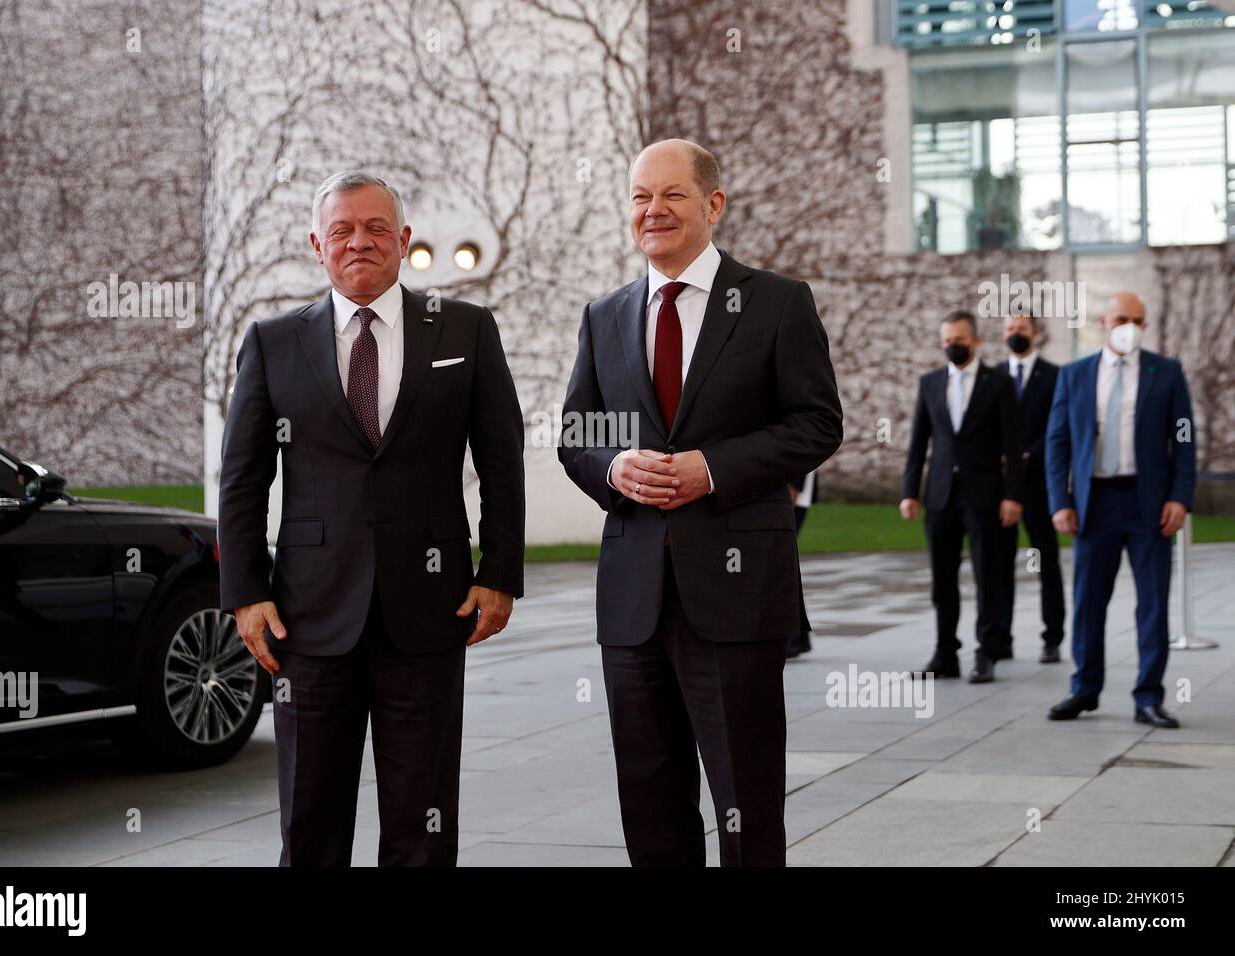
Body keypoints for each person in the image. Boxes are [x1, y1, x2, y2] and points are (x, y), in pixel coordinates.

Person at [217, 170, 525, 865]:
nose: (360, 241)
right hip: (307, 617)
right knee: (310, 818)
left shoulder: (465, 330)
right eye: (343, 230)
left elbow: (500, 460)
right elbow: (242, 479)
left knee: (424, 819)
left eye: (376, 228)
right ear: (317, 245)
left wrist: (500, 570)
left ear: (404, 239)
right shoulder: (271, 343)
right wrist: (245, 592)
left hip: (429, 610)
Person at [558, 139, 843, 866]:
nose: (652, 210)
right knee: (650, 805)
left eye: (672, 195)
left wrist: (711, 468)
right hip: (632, 602)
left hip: (737, 596)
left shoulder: (778, 302)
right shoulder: (605, 316)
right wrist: (614, 465)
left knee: (745, 800)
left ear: (713, 204)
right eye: (639, 196)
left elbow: (817, 424)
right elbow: (576, 436)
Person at [1045, 292, 1195, 728]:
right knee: (1089, 601)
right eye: (1121, 318)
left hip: (1150, 505)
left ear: (1144, 326)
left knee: (1152, 603)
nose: (1129, 325)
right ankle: (1084, 690)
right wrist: (1061, 501)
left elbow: (1183, 438)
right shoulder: (1074, 376)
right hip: (1095, 503)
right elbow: (1057, 443)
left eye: (1137, 320)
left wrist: (1181, 496)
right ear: (1103, 322)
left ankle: (1148, 696)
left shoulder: (1166, 373)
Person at [899, 310, 1022, 684]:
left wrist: (1013, 495)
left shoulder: (999, 382)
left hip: (985, 495)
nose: (952, 346)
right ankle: (945, 653)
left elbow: (1012, 446)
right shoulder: (930, 383)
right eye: (947, 340)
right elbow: (918, 442)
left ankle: (986, 652)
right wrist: (909, 492)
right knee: (943, 579)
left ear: (976, 341)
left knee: (988, 576)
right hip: (940, 496)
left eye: (959, 340)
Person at [994, 310, 1064, 663]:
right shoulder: (992, 377)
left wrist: (1023, 456)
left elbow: (1057, 427)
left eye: (1021, 328)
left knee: (1045, 560)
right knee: (999, 563)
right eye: (1009, 328)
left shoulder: (1055, 377)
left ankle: (1052, 636)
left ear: (1035, 333)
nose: (1014, 333)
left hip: (1038, 485)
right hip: (1002, 488)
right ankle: (1001, 637)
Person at [787, 471, 817, 658]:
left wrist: (794, 487)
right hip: (785, 491)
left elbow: (799, 442)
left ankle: (796, 637)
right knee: (781, 566)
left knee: (778, 565)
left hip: (791, 493)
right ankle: (798, 637)